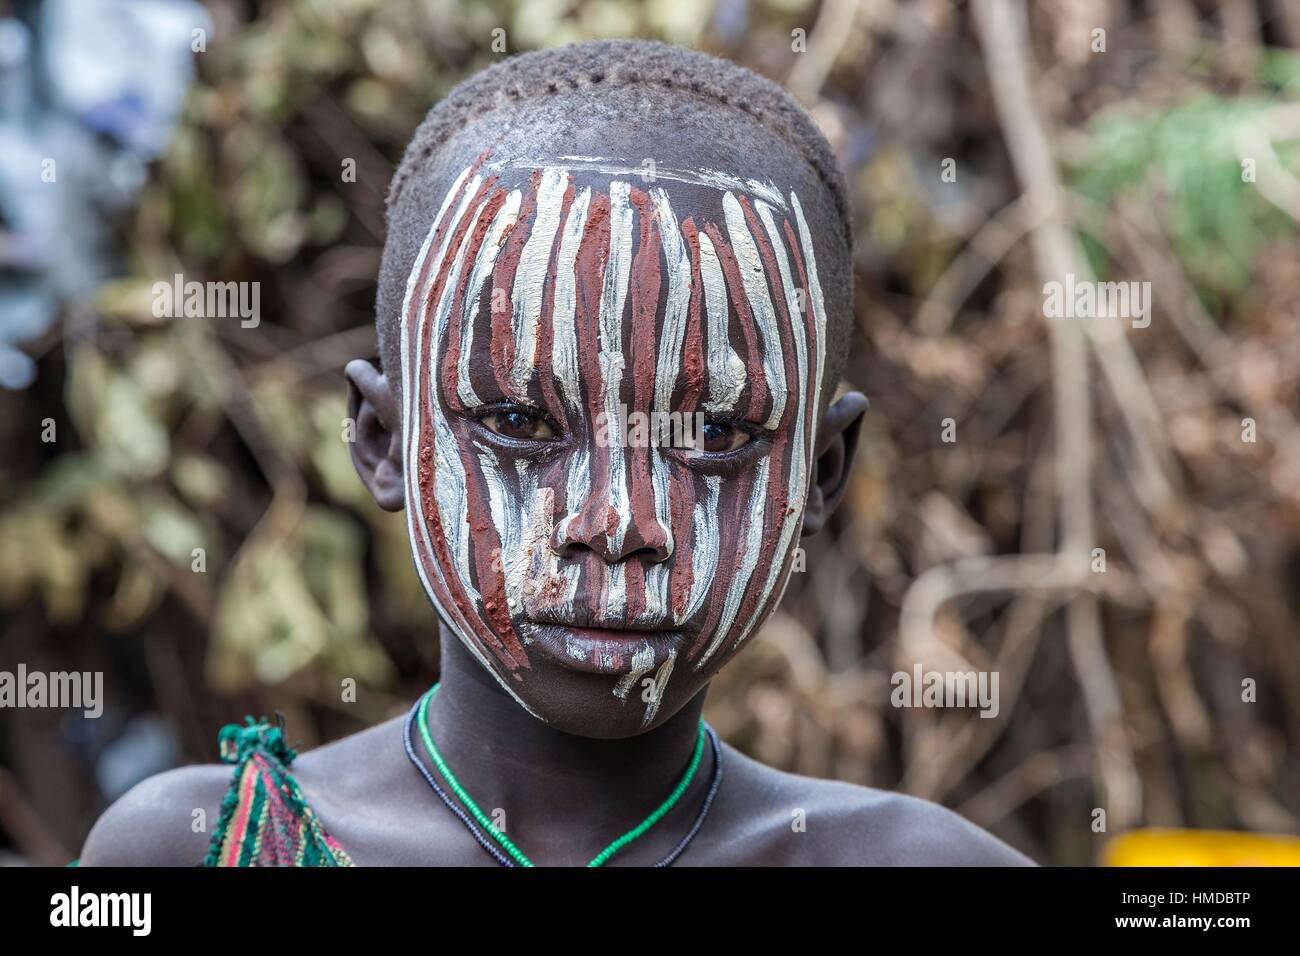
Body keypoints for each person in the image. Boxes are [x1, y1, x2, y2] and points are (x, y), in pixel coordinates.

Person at [79, 38, 1032, 867]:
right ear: (381, 443)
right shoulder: (200, 846)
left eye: (715, 437)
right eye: (522, 424)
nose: (620, 526)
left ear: (820, 474)